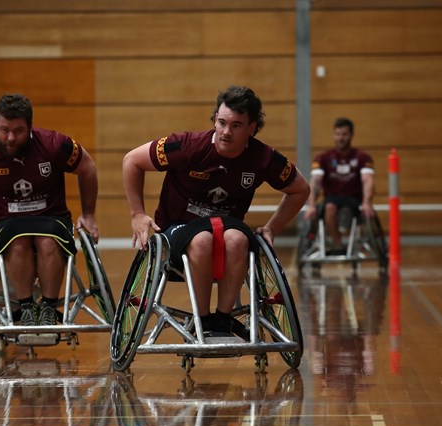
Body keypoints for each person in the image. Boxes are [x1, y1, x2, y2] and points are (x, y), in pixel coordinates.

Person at [122, 85, 309, 338]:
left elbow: (300, 189)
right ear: (214, 120)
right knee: (201, 240)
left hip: (228, 228)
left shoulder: (263, 158)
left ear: (252, 128)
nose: (226, 132)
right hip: (178, 229)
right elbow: (132, 161)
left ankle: (222, 320)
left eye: (236, 125)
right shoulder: (186, 146)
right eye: (221, 123)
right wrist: (137, 214)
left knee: (239, 239)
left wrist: (272, 227)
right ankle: (203, 320)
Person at [0, 93, 100, 327]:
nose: (10, 137)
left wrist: (88, 214)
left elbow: (87, 167)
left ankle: (49, 308)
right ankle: (26, 307)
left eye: (18, 130)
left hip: (52, 216)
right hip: (9, 220)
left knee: (47, 242)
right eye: (4, 129)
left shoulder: (53, 144)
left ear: (30, 127)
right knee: (17, 243)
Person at [304, 117, 375, 254]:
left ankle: (348, 238)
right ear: (334, 135)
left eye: (344, 134)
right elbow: (316, 181)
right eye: (337, 134)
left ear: (351, 135)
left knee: (348, 210)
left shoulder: (362, 157)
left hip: (353, 199)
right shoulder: (323, 158)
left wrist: (367, 203)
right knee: (329, 207)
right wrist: (311, 205)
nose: (341, 138)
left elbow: (368, 180)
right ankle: (339, 244)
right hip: (332, 198)